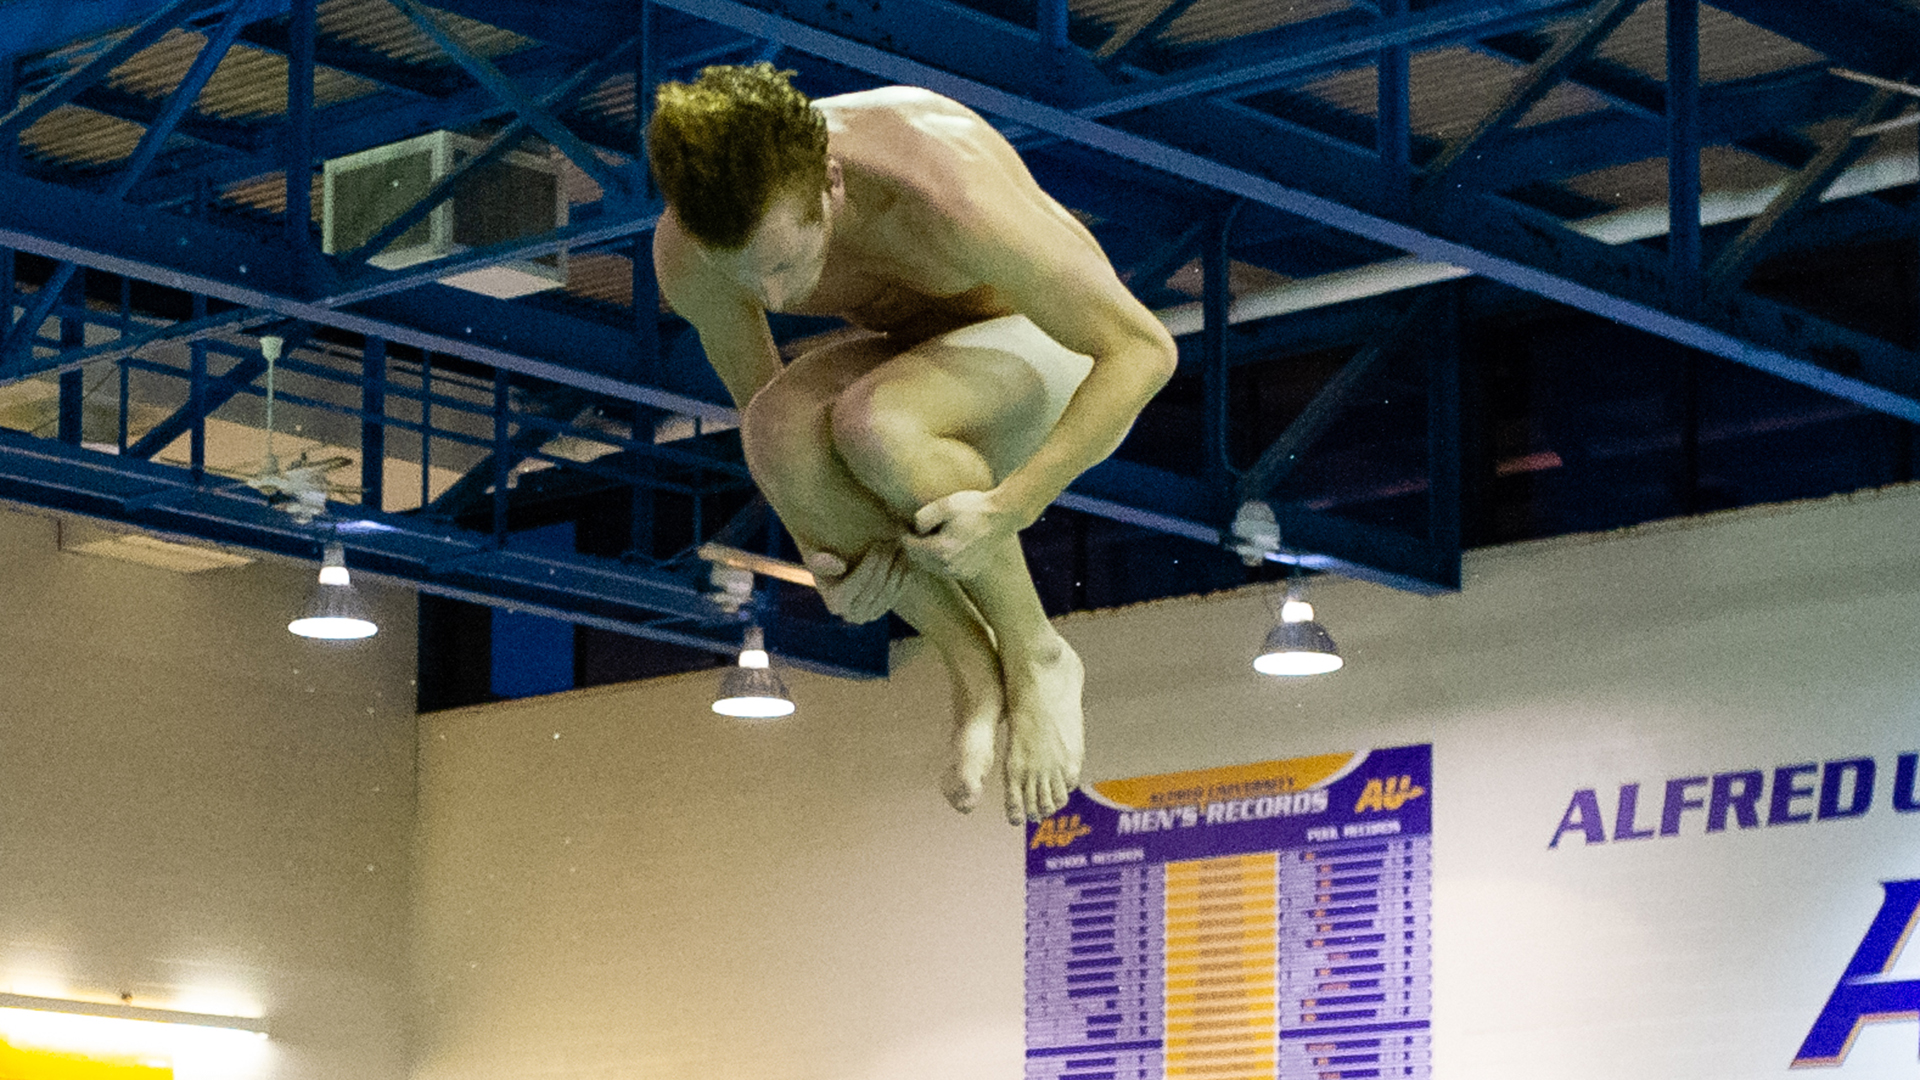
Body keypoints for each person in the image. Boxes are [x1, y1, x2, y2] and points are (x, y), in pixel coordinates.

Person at [649, 64, 1176, 824]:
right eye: (750, 279)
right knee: (775, 430)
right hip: (921, 364)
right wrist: (828, 554)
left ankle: (1037, 653)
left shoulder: (948, 189)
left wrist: (1013, 504)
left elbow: (1144, 353)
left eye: (787, 264)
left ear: (832, 184)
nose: (776, 297)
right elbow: (776, 434)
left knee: (878, 424)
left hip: (1061, 358)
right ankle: (973, 670)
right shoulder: (690, 255)